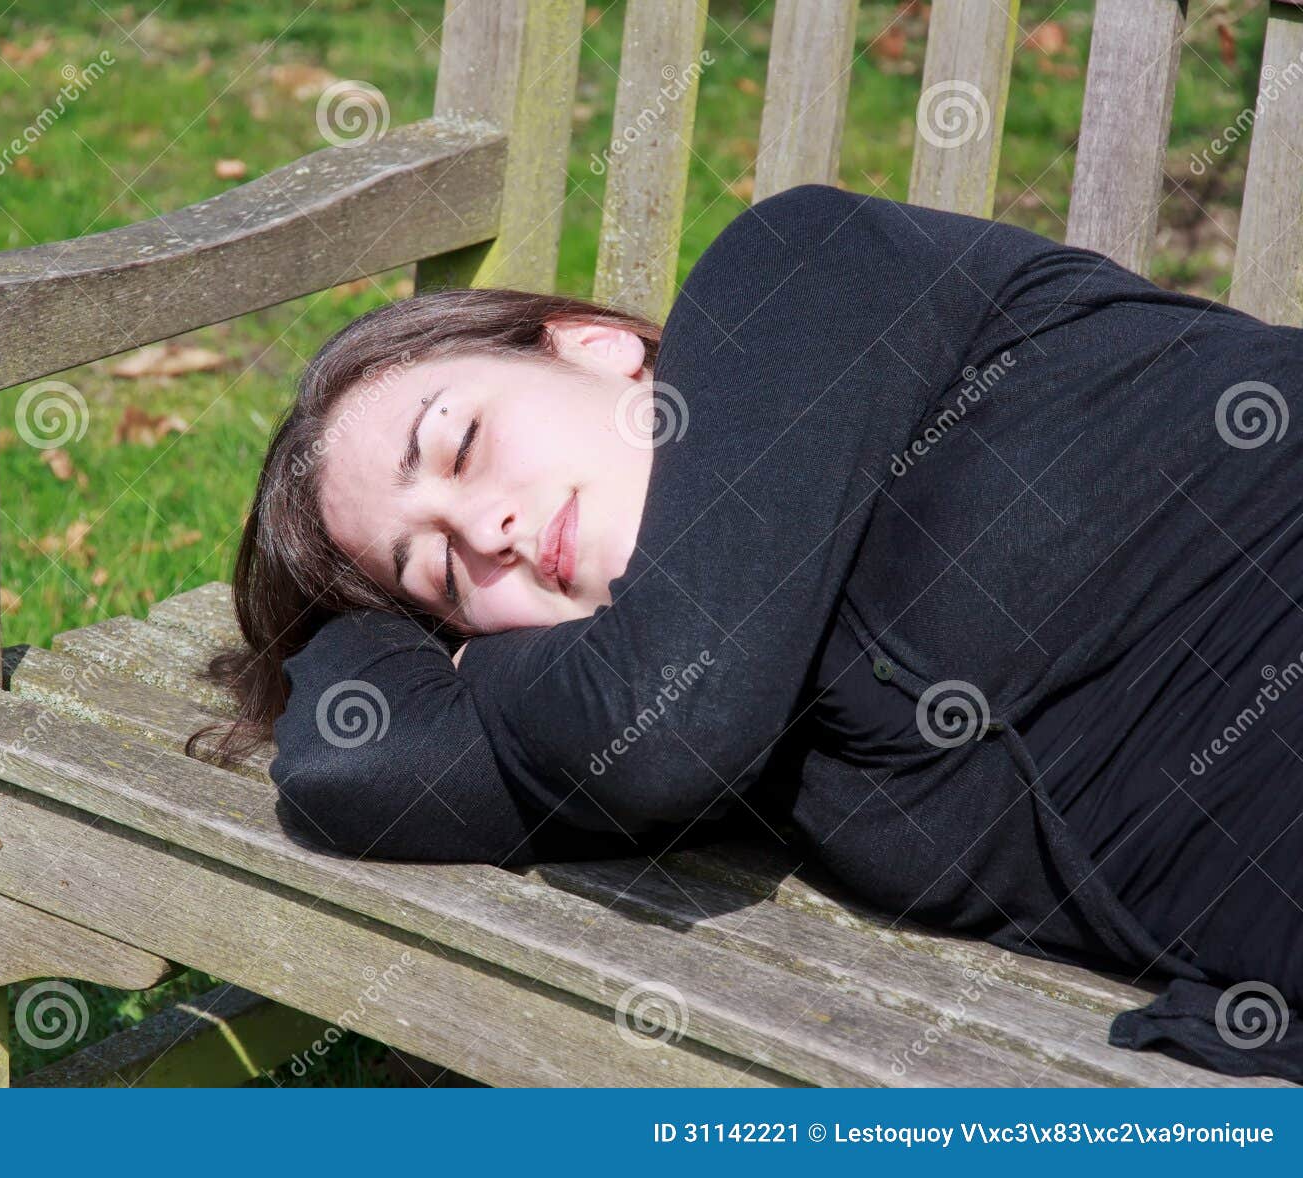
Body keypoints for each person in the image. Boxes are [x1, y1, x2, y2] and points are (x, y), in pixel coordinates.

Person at [189, 184, 1303, 1082]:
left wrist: (479, 653)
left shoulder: (802, 272)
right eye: (437, 571)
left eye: (463, 441)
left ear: (589, 345)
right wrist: (348, 615)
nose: (489, 527)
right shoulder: (658, 699)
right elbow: (352, 762)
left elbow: (669, 717)